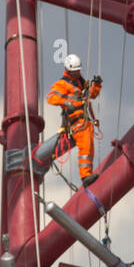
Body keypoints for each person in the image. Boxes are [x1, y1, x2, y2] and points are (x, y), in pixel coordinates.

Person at [46, 55, 102, 185]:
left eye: (78, 70)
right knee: (85, 147)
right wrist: (66, 102)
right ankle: (85, 176)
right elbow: (51, 97)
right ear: (68, 70)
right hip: (76, 122)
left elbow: (91, 95)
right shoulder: (62, 84)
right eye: (75, 70)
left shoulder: (80, 82)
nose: (78, 72)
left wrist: (97, 85)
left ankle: (88, 173)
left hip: (85, 121)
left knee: (89, 148)